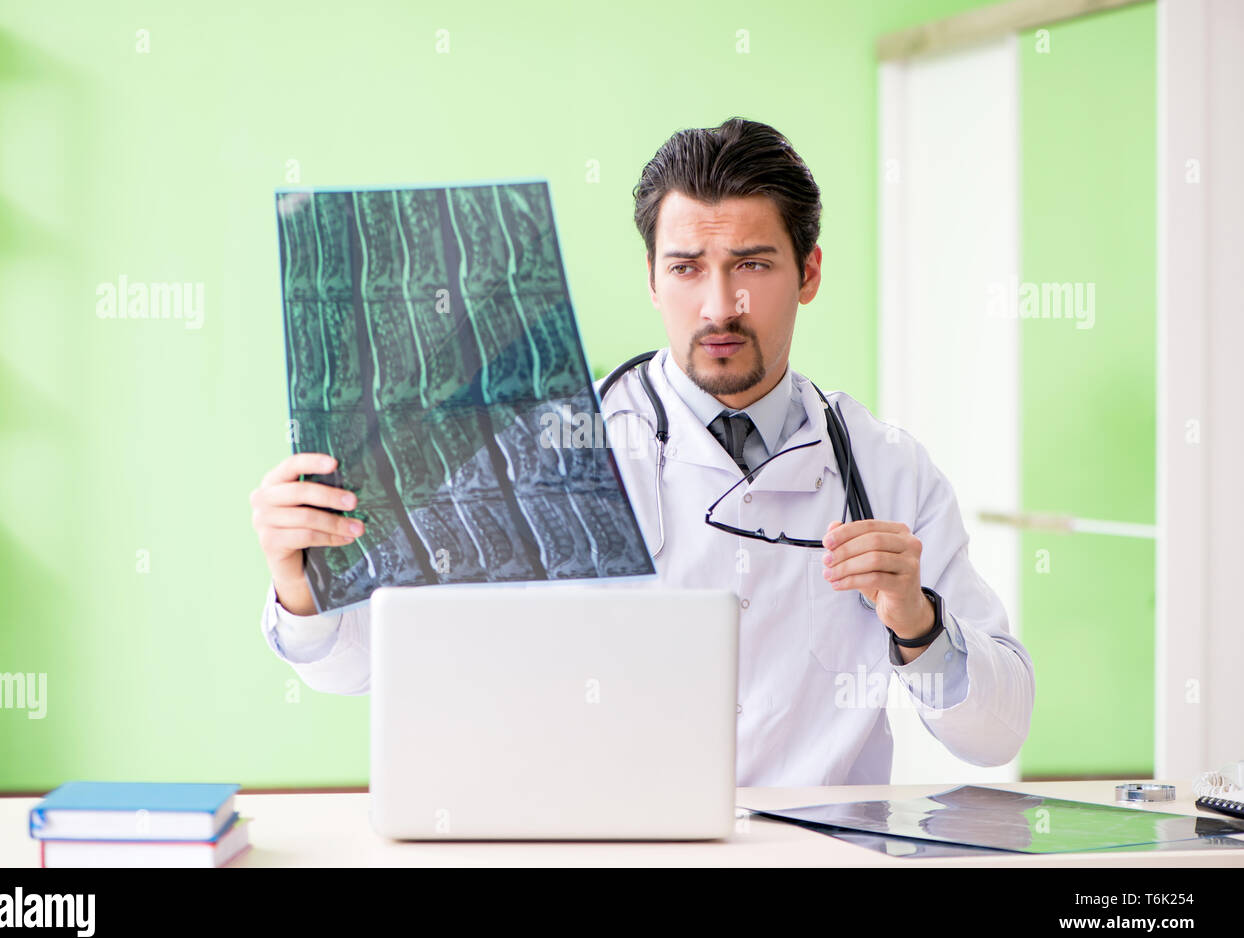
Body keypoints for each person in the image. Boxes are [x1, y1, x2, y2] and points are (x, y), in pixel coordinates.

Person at [250, 117, 1034, 787]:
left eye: (753, 265)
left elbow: (996, 734)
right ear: (654, 281)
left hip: (814, 853)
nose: (719, 304)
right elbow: (364, 667)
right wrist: (303, 583)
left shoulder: (887, 469)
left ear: (810, 272)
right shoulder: (548, 445)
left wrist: (919, 623)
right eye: (687, 267)